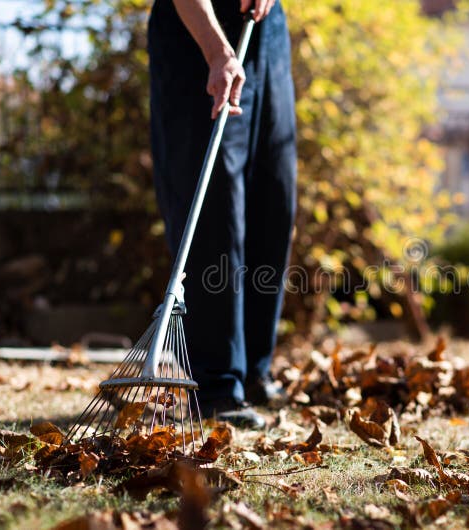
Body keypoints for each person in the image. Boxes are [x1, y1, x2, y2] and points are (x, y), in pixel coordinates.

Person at [147, 0, 297, 429]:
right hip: (196, 29)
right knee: (215, 207)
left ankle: (253, 371)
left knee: (275, 194)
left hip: (266, 28)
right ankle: (216, 383)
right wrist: (217, 52)